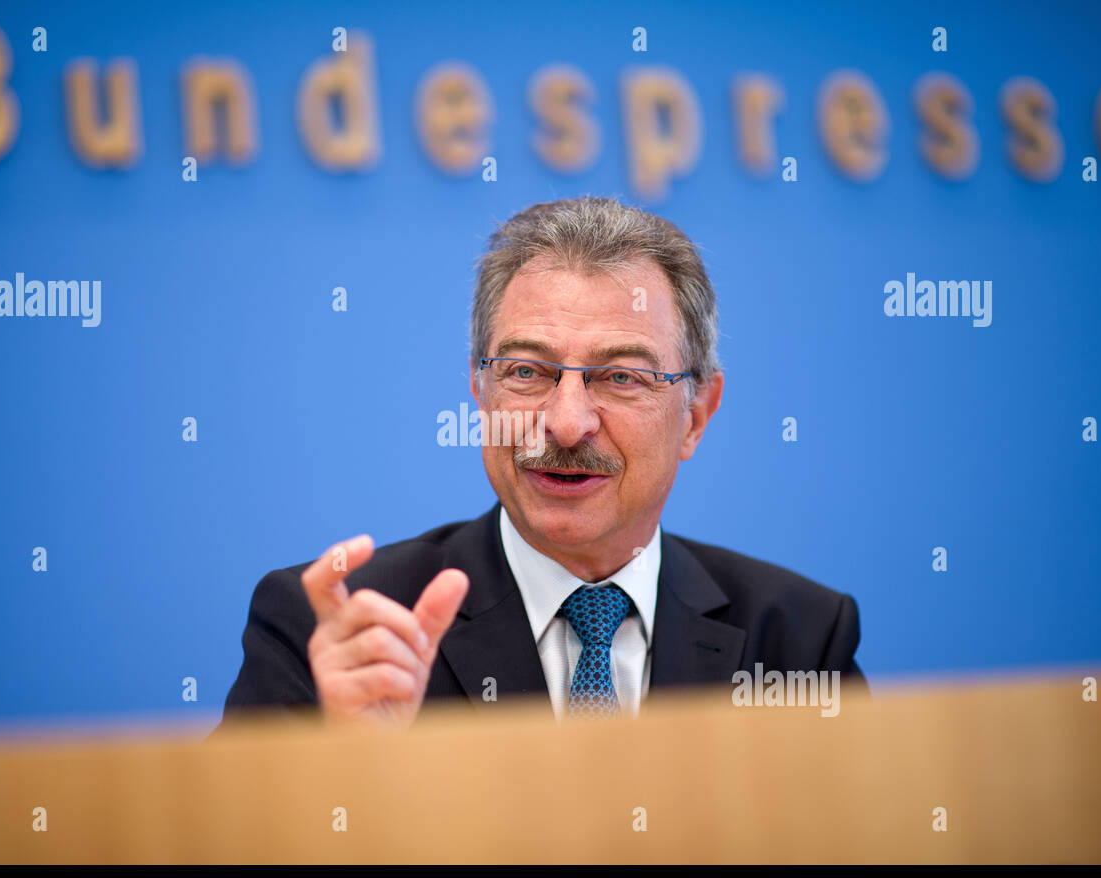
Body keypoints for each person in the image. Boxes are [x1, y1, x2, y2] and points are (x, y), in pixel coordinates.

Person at [220, 196, 863, 728]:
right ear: (480, 391)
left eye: (621, 378)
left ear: (696, 415)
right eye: (527, 371)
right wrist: (342, 773)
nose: (566, 422)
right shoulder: (340, 635)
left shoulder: (798, 638)